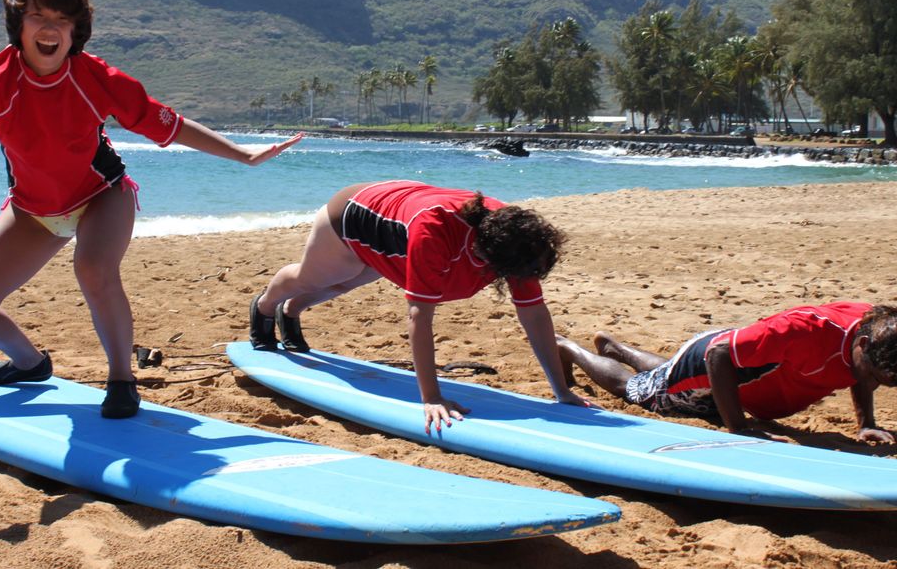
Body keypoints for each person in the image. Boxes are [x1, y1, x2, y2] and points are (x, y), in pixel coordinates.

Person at [0, 0, 301, 419]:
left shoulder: (96, 78)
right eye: (38, 16)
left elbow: (168, 124)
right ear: (18, 21)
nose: (50, 29)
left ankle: (122, 380)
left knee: (92, 267)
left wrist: (243, 155)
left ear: (76, 30)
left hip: (101, 195)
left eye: (62, 20)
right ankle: (30, 363)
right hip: (33, 209)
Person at [249, 179, 586, 433]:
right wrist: (431, 397)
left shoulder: (519, 240)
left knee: (348, 281)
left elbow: (534, 314)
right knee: (318, 278)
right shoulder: (435, 233)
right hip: (353, 214)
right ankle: (265, 307)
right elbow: (419, 317)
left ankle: (290, 312)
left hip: (397, 218)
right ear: (487, 256)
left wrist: (562, 392)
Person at [555, 301, 897, 442]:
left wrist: (866, 423)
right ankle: (568, 348)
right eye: (870, 375)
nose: (867, 383)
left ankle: (616, 348)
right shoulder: (806, 330)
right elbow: (719, 354)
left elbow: (866, 372)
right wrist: (741, 427)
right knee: (637, 390)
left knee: (665, 378)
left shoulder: (877, 324)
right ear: (862, 344)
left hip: (734, 357)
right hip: (714, 360)